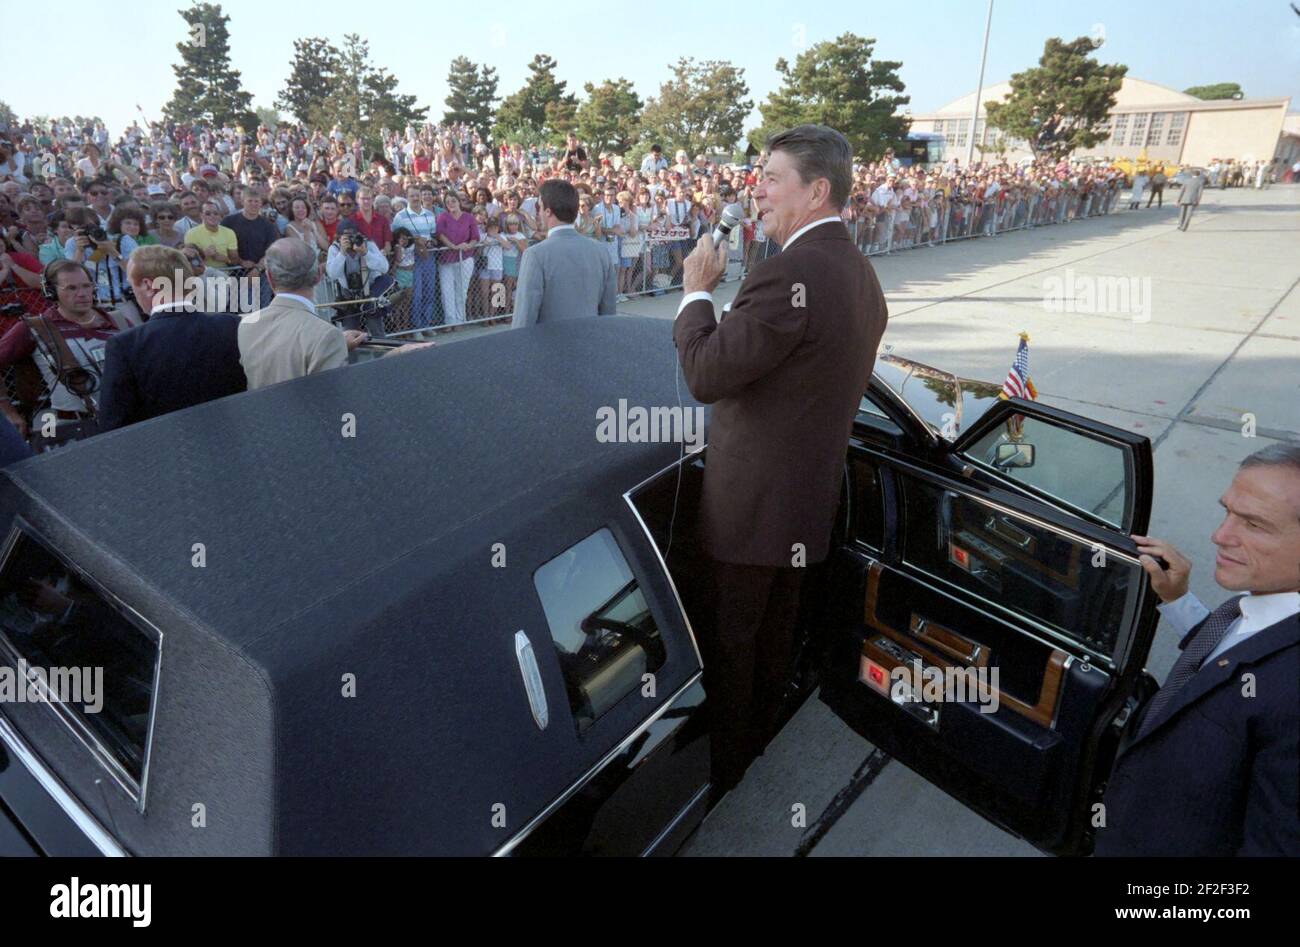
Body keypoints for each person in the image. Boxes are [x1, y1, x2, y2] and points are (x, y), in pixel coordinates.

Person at [673, 124, 887, 794]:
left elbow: (706, 372)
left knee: (734, 651)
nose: (756, 190)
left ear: (817, 190)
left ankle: (726, 776)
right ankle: (755, 748)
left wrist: (695, 292)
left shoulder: (789, 272)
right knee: (772, 643)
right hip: (803, 506)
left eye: (771, 178)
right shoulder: (858, 270)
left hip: (749, 514)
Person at [1096, 445, 1300, 856]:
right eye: (1227, 512)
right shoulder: (1263, 600)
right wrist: (1178, 601)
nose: (1219, 536)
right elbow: (1232, 653)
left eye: (1254, 525)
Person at [97, 246, 247, 431]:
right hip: (234, 438)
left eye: (132, 285)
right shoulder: (232, 324)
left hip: (167, 451)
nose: (133, 292)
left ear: (147, 285)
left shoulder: (125, 345)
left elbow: (113, 424)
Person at [0, 260, 123, 438]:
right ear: (51, 292)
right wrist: (8, 411)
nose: (82, 294)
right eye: (71, 288)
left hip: (127, 418)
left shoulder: (116, 320)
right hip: (75, 428)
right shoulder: (36, 328)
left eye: (86, 286)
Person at [239, 238, 365, 390]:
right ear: (318, 275)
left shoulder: (245, 325)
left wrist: (332, 347)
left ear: (270, 278)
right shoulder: (326, 336)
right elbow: (334, 399)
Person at [510, 180, 617, 328]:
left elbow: (524, 318)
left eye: (539, 207)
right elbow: (609, 313)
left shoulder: (535, 255)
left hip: (549, 347)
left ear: (548, 212)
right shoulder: (601, 252)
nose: (538, 213)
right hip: (591, 343)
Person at [435, 193, 479, 326]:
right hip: (447, 260)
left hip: (465, 259)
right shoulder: (443, 217)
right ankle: (450, 322)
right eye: (448, 202)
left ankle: (460, 320)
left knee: (462, 290)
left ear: (459, 201)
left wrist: (467, 246)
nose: (451, 204)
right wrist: (453, 246)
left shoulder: (469, 217)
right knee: (446, 291)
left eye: (453, 201)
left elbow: (475, 237)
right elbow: (440, 234)